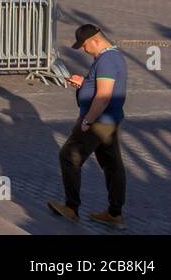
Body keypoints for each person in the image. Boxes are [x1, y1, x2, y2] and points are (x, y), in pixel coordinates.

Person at [48, 24, 128, 229]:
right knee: (112, 164)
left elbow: (103, 96)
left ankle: (71, 208)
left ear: (95, 40)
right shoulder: (110, 57)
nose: (83, 50)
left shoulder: (107, 60)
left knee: (68, 156)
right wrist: (84, 83)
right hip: (108, 121)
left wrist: (87, 121)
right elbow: (99, 87)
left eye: (83, 46)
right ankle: (114, 213)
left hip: (98, 121)